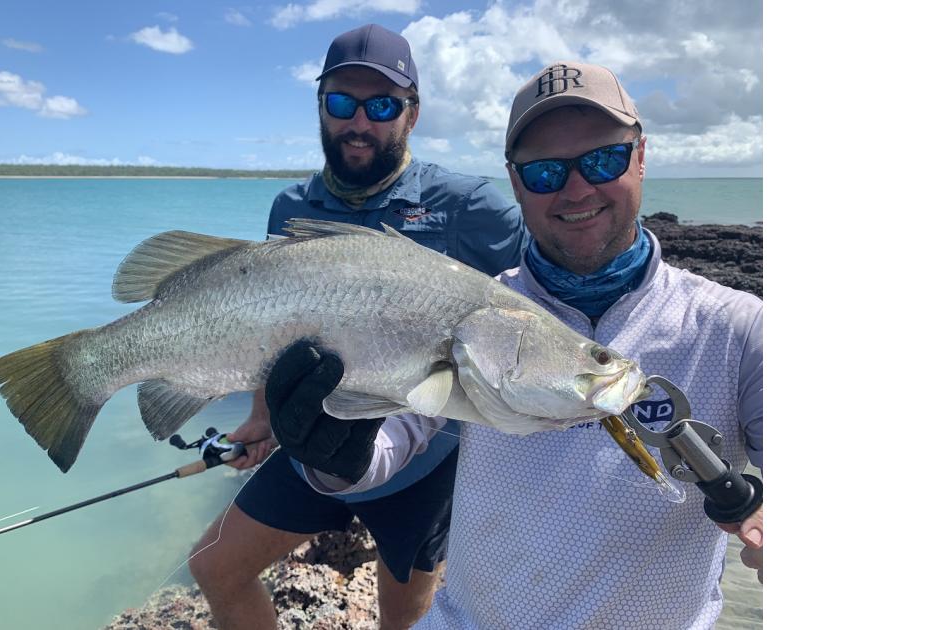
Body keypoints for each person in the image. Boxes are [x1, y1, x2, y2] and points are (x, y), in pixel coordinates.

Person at [262, 61, 764, 629]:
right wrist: (333, 458)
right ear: (516, 182)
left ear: (641, 156)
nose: (577, 189)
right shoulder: (470, 311)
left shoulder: (740, 329)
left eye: (603, 159)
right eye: (545, 172)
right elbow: (393, 439)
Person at [186, 24, 530, 630]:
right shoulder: (290, 207)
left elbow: (538, 307)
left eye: (382, 105)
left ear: (412, 114)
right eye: (342, 103)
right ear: (321, 107)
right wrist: (264, 418)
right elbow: (281, 332)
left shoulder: (472, 207)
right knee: (216, 569)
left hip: (424, 465)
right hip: (306, 452)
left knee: (403, 618)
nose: (360, 123)